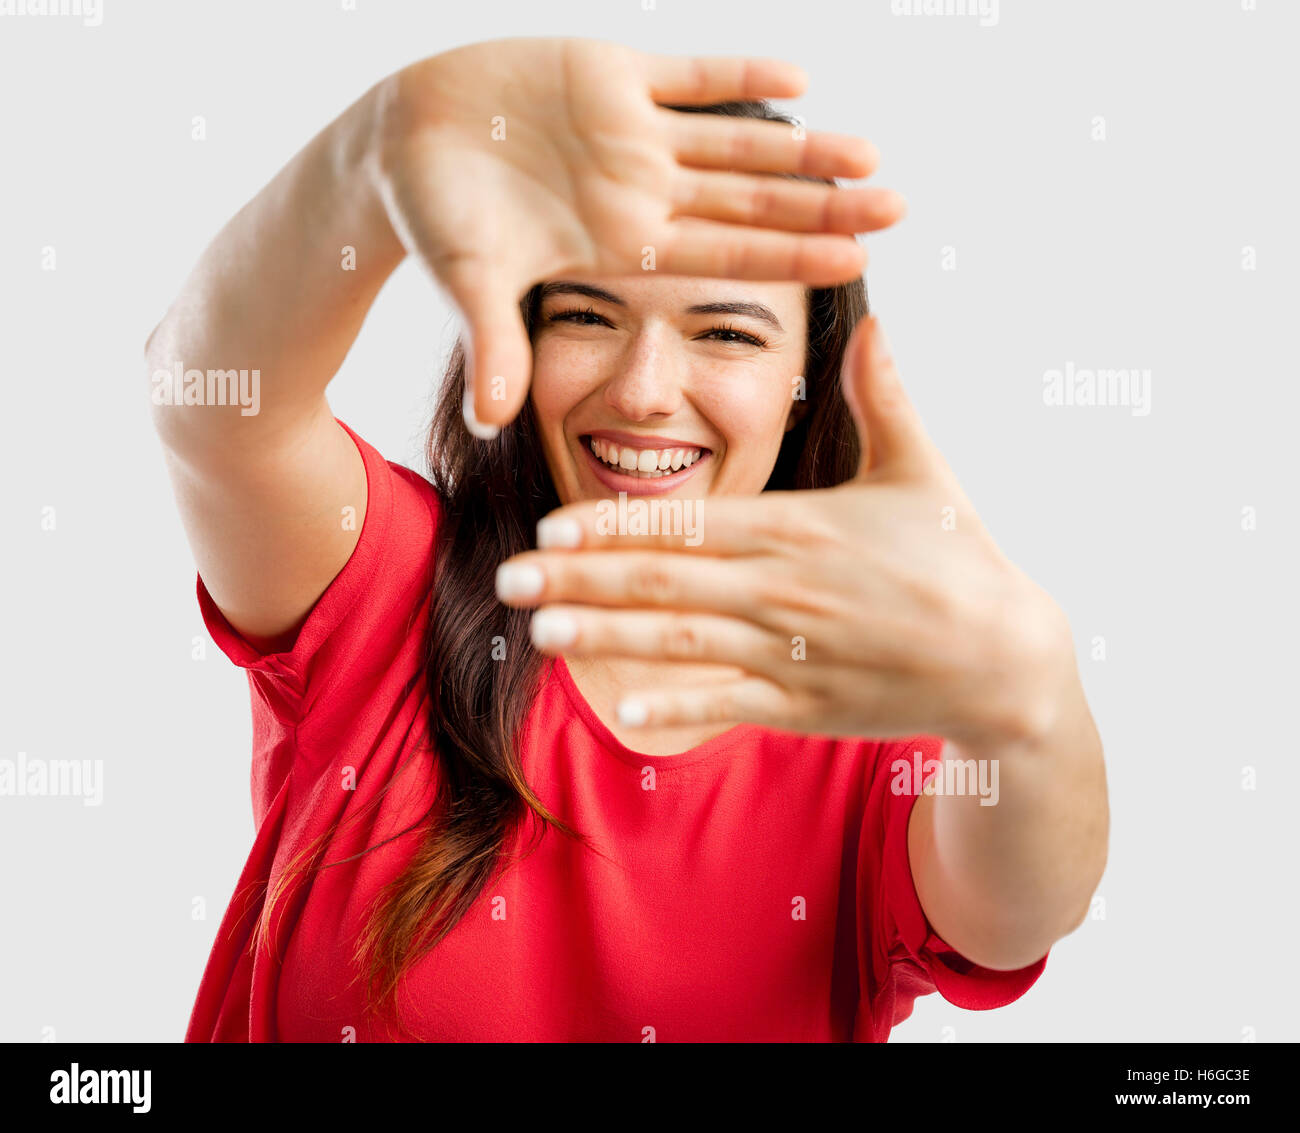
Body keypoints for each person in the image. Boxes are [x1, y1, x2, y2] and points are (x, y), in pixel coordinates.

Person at [146, 37, 1109, 1042]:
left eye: (725, 332)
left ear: (804, 385)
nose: (644, 391)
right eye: (587, 314)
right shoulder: (384, 593)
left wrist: (1028, 695)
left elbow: (1015, 915)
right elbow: (210, 399)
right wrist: (372, 154)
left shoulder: (870, 730)